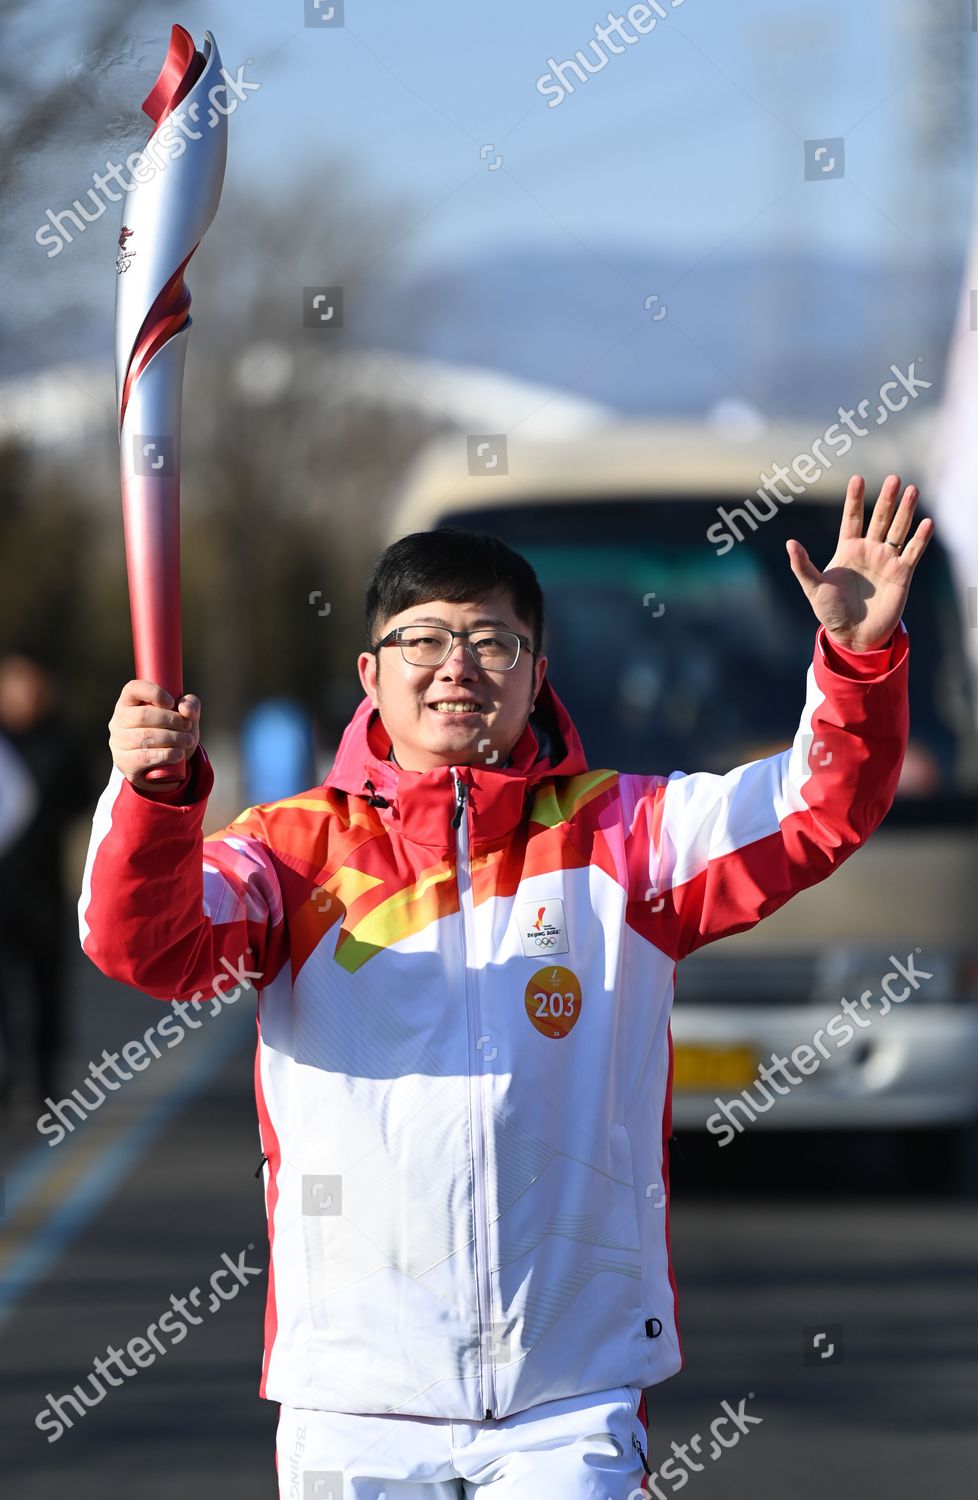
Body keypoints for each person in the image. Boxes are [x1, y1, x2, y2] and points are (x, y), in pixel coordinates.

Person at [78, 474, 929, 1498]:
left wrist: (858, 661)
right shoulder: (292, 852)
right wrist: (153, 797)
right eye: (424, 641)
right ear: (371, 672)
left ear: (536, 675)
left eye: (493, 643)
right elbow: (148, 943)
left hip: (568, 1394)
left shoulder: (628, 836)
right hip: (358, 1398)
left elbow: (812, 810)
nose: (458, 669)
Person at [0, 648, 95, 1110]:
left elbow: (82, 798)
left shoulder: (60, 742)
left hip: (41, 888)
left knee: (45, 989)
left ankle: (43, 1082)